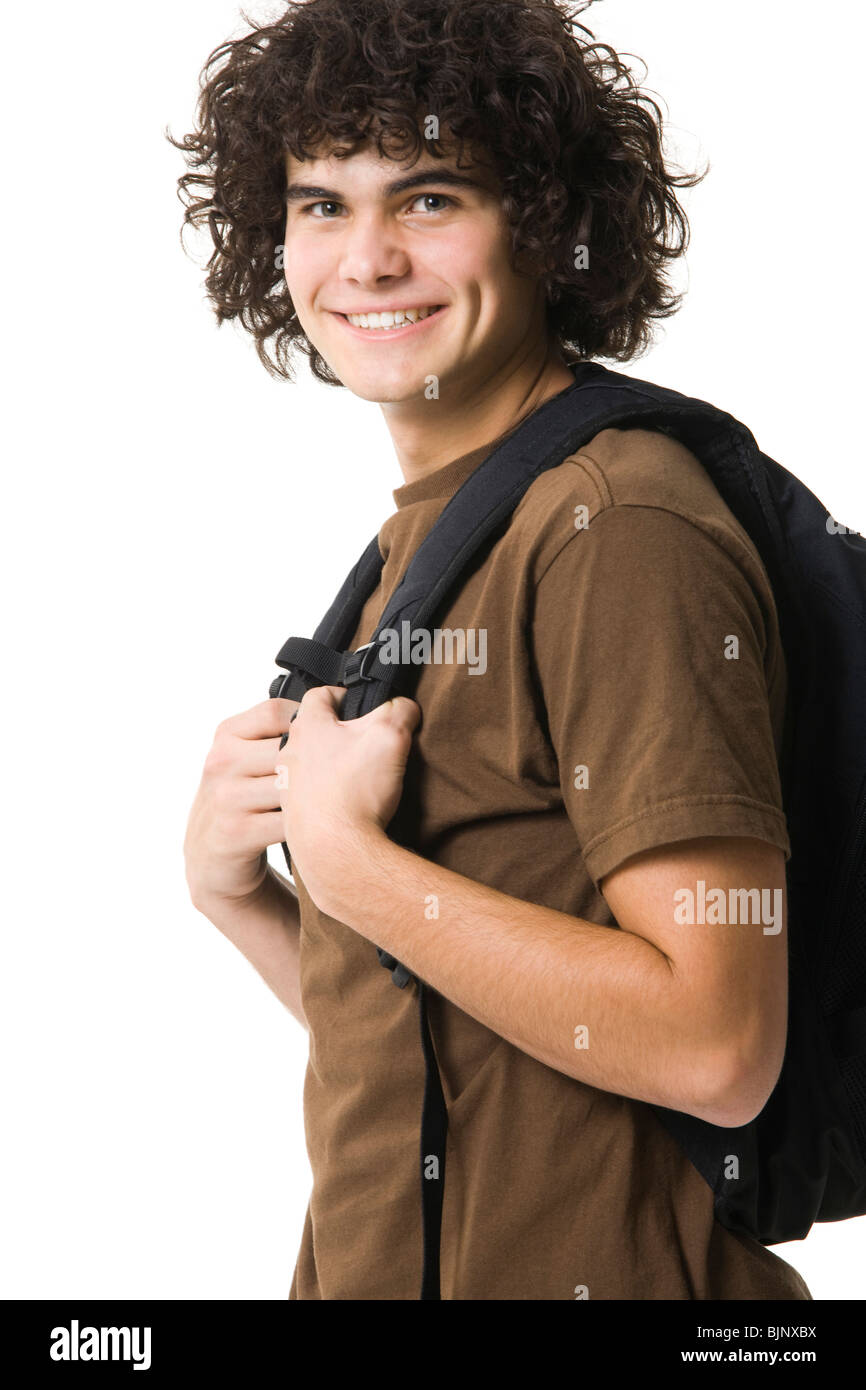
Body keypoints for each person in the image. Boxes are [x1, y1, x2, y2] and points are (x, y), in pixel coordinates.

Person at [174, 0, 813, 1300]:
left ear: (546, 223)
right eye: (318, 203)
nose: (364, 260)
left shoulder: (613, 527)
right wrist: (249, 904)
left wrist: (349, 859)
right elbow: (455, 1053)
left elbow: (716, 1043)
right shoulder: (429, 543)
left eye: (425, 198)